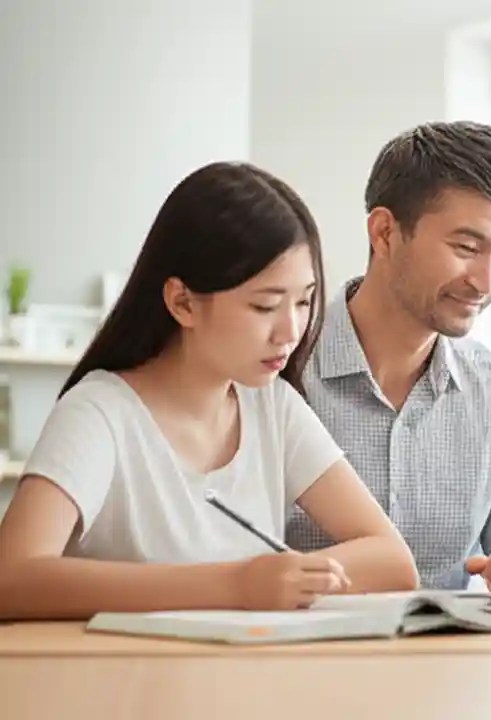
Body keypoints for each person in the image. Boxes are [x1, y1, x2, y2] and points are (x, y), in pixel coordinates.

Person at [0, 162, 419, 620]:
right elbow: (12, 578)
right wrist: (236, 585)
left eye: (304, 301)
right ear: (182, 302)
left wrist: (288, 580)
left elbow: (393, 562)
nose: (291, 330)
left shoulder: (273, 407)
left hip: (242, 683)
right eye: (265, 305)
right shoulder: (99, 412)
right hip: (124, 684)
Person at [285, 122, 491, 612]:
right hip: (292, 668)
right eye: (466, 248)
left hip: (449, 676)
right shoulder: (278, 371)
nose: (486, 282)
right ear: (384, 232)